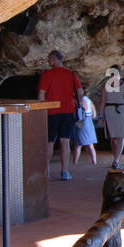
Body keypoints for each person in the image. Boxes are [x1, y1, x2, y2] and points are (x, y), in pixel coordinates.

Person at [37, 50, 84, 181]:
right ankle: (64, 171)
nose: (48, 61)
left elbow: (41, 94)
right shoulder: (71, 74)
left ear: (54, 59)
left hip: (52, 111)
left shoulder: (47, 75)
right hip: (68, 110)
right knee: (65, 141)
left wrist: (41, 110)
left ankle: (46, 170)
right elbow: (80, 92)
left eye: (49, 59)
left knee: (50, 141)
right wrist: (72, 99)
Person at [99, 64, 124, 170]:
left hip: (113, 111)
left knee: (115, 137)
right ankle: (116, 160)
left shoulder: (106, 85)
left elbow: (102, 102)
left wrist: (100, 116)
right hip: (119, 111)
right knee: (119, 137)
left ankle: (116, 159)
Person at [72, 93, 98, 166]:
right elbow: (94, 114)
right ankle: (94, 161)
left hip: (82, 122)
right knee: (90, 144)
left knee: (78, 144)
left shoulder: (81, 101)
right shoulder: (89, 100)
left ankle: (74, 163)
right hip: (89, 122)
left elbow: (80, 114)